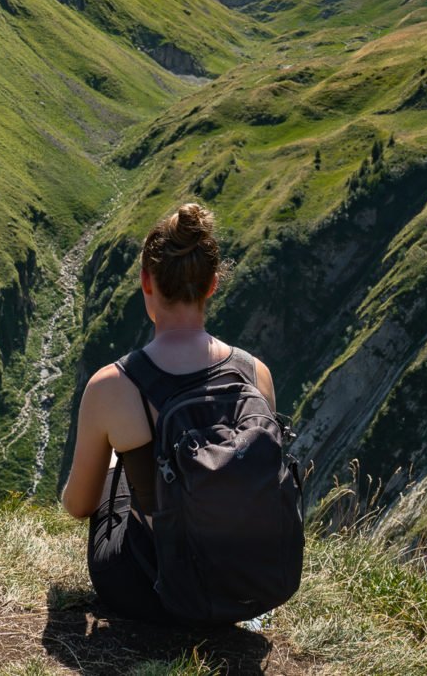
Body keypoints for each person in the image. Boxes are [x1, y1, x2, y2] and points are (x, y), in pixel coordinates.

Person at [61, 202, 281, 624]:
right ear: (212, 284)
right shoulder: (257, 374)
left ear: (146, 281)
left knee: (117, 465)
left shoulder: (112, 385)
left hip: (147, 593)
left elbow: (79, 505)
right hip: (242, 585)